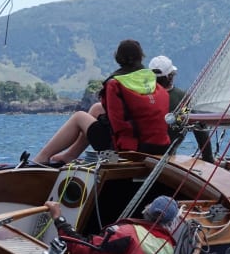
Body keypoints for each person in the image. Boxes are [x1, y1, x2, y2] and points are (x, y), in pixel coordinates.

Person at [34, 39, 170, 163]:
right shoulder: (154, 84)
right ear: (141, 58)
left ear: (118, 59)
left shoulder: (115, 84)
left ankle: (41, 158)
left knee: (79, 117)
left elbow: (116, 123)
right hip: (158, 150)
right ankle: (71, 154)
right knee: (96, 109)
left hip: (123, 156)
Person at [44, 195, 179, 254]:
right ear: (172, 222)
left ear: (147, 211)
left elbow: (85, 253)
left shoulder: (127, 233)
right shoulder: (168, 246)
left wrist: (58, 219)